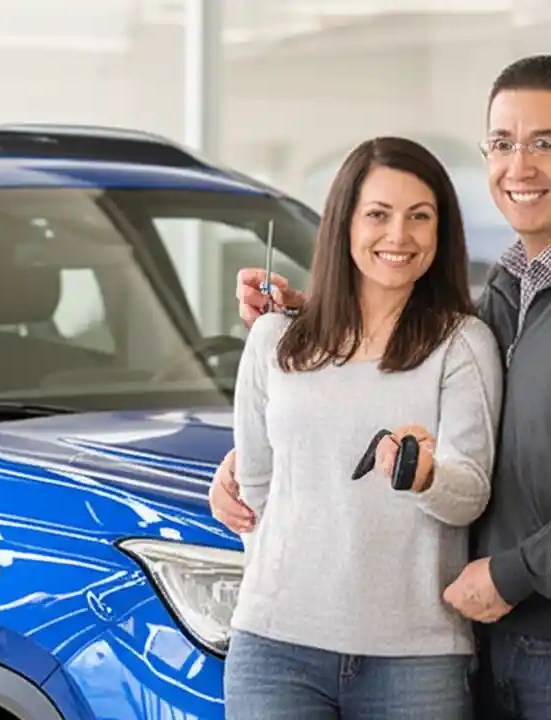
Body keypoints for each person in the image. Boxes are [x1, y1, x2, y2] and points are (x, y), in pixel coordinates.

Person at [212, 55, 551, 719]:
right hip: (498, 638)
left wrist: (513, 573)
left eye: (545, 143)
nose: (519, 165)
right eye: (503, 144)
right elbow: (392, 342)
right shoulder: (512, 292)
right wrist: (310, 330)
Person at [221, 135, 502, 720]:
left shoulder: (463, 345)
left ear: (441, 233)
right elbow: (256, 486)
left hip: (416, 661)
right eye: (378, 214)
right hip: (276, 651)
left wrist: (424, 478)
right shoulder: (275, 339)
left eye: (419, 218)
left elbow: (470, 495)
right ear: (343, 225)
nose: (398, 236)